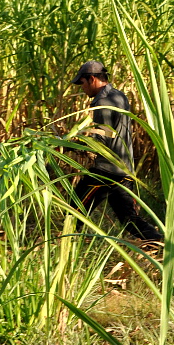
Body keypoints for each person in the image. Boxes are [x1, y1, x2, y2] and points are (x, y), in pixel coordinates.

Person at [70, 60, 162, 241]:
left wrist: (73, 143)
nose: (83, 89)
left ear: (92, 79)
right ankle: (160, 242)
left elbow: (103, 138)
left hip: (106, 171)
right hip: (125, 169)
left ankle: (67, 246)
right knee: (130, 220)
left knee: (74, 211)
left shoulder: (102, 102)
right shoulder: (119, 96)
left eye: (82, 84)